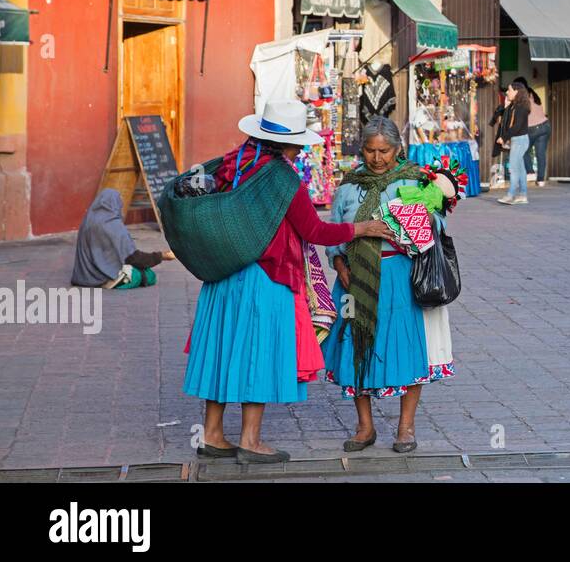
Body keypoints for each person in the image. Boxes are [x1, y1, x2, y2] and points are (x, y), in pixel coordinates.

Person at [183, 101, 394, 464]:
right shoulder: (282, 179)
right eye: (298, 143)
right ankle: (250, 440)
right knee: (257, 353)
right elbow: (315, 230)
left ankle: (213, 434)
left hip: (224, 275)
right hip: (265, 276)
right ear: (286, 144)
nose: (301, 150)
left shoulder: (235, 162)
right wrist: (363, 227)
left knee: (222, 348)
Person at [321, 116, 457, 454]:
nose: (377, 158)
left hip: (400, 275)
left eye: (384, 151)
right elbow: (335, 232)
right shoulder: (349, 187)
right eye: (370, 150)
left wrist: (421, 218)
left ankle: (405, 428)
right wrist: (339, 263)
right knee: (356, 347)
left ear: (397, 149)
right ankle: (364, 427)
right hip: (355, 279)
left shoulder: (413, 181)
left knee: (406, 346)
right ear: (362, 149)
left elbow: (436, 224)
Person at [71, 188, 163, 290]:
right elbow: (133, 257)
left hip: (83, 275)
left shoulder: (87, 220)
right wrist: (161, 256)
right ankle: (114, 280)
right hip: (103, 276)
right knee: (148, 275)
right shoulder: (113, 225)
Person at [496, 80, 531, 205]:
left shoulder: (521, 107)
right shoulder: (515, 106)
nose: (507, 92)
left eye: (509, 90)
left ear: (516, 91)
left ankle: (510, 195)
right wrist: (507, 106)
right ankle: (523, 195)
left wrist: (504, 137)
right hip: (518, 140)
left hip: (520, 140)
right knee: (520, 169)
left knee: (513, 168)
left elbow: (516, 126)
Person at [518, 78, 551, 187]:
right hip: (545, 126)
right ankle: (541, 180)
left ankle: (530, 172)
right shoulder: (533, 93)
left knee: (522, 149)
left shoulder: (522, 98)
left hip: (532, 128)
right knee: (540, 154)